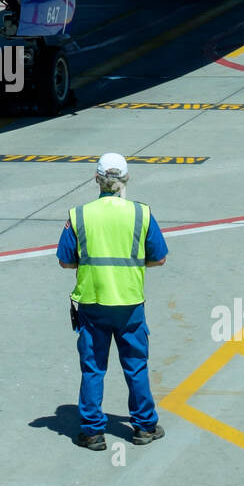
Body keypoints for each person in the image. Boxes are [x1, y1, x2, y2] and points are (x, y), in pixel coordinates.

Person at [57, 152, 168, 451]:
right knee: (136, 366)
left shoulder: (80, 214)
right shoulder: (141, 213)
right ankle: (144, 426)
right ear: (126, 179)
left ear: (96, 179)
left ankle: (93, 432)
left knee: (93, 368)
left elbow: (65, 262)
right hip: (130, 303)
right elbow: (159, 258)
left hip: (93, 304)